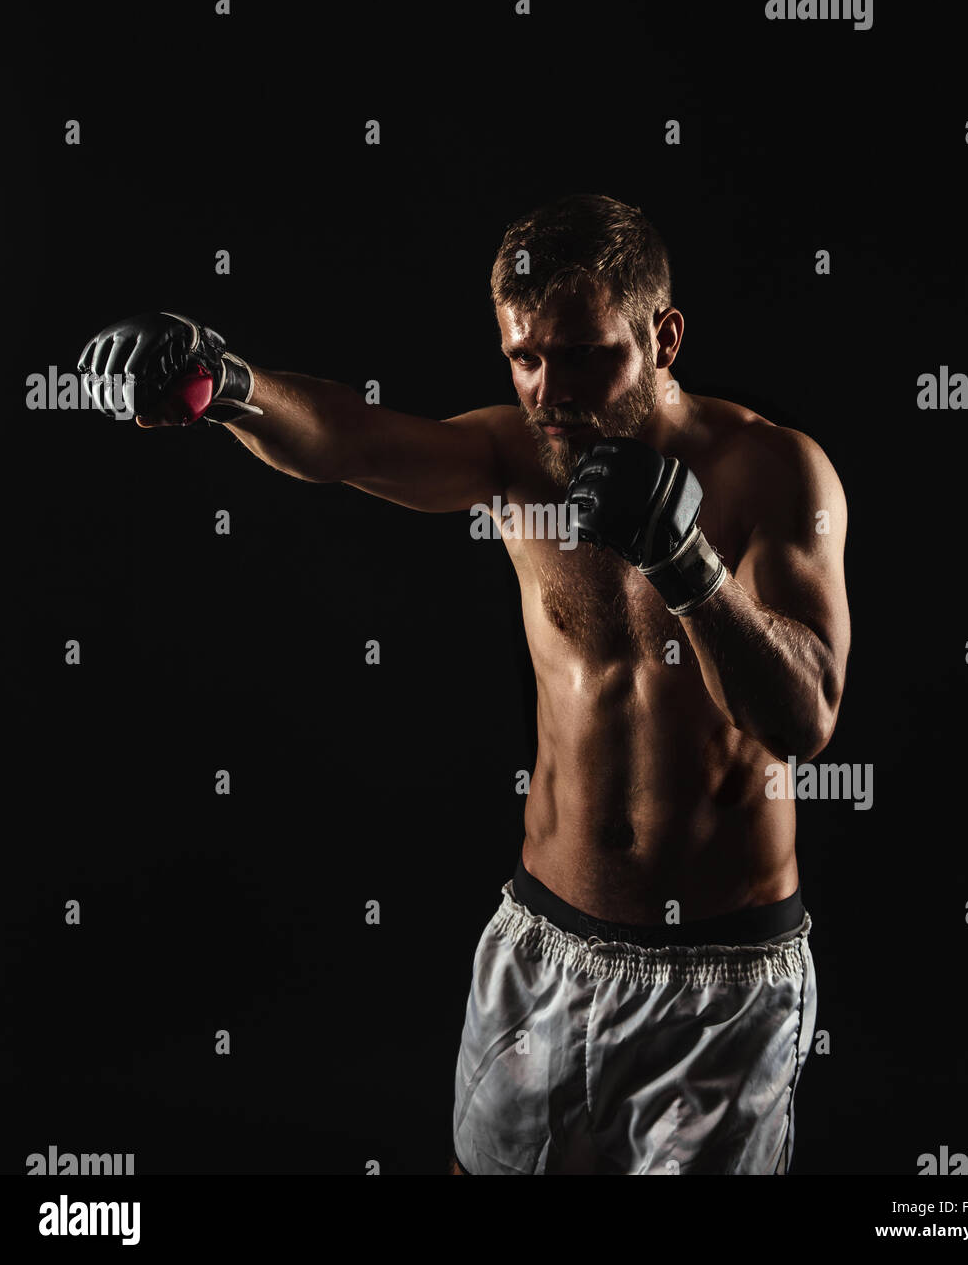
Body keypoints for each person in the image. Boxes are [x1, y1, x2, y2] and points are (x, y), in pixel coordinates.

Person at [77, 193, 850, 1175]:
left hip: (720, 982)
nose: (551, 391)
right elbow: (350, 438)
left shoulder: (776, 472)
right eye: (526, 358)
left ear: (664, 337)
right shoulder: (516, 458)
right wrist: (227, 382)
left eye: (585, 356)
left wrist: (686, 560)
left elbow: (805, 717)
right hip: (541, 945)